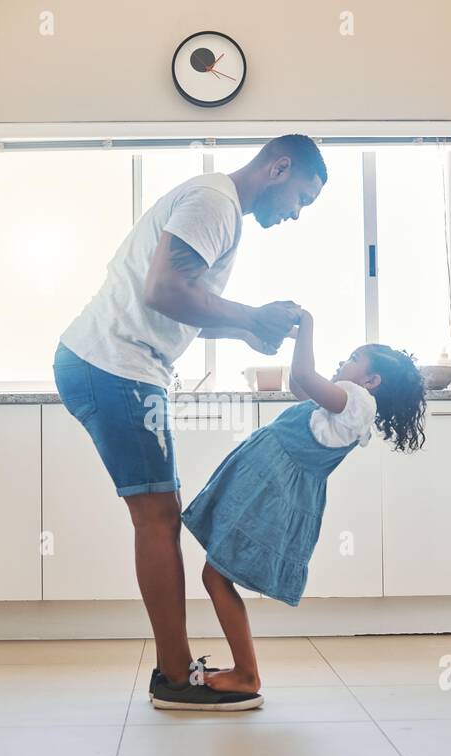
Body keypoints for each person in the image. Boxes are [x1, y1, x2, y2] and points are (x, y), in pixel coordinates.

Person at [53, 135, 328, 710]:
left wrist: (246, 328)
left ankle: (174, 668)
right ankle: (175, 679)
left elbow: (180, 302)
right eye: (303, 196)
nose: (299, 214)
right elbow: (163, 290)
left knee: (160, 514)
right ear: (279, 167)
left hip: (115, 365)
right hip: (116, 365)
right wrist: (251, 314)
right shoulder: (216, 204)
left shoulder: (219, 205)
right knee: (157, 517)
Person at [179, 308, 428, 705]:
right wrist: (295, 338)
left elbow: (305, 378)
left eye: (351, 359)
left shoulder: (358, 402)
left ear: (371, 380)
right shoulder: (344, 401)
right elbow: (301, 385)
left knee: (215, 575)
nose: (342, 362)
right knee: (215, 573)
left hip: (271, 495)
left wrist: (309, 323)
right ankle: (244, 670)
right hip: (265, 487)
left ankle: (247, 674)